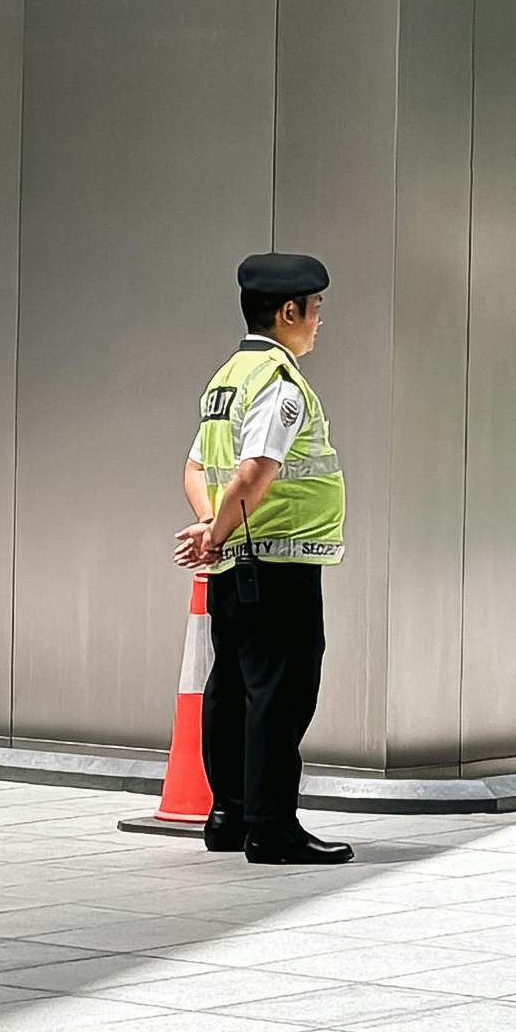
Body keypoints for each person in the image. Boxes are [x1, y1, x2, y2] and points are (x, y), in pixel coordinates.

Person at [175, 251, 353, 868]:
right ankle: (273, 827)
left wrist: (210, 530)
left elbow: (197, 466)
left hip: (236, 567)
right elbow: (255, 471)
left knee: (233, 687)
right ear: (288, 311)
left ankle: (229, 815)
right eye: (317, 309)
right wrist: (218, 528)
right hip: (278, 565)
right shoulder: (279, 384)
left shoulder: (226, 377)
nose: (320, 320)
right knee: (280, 694)